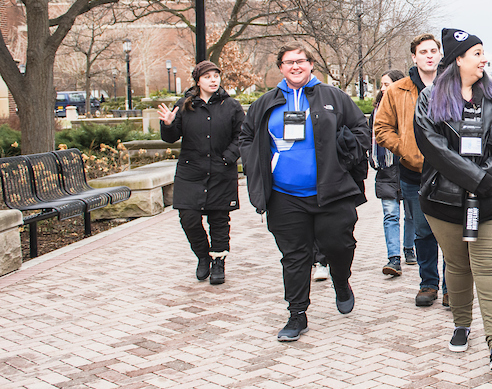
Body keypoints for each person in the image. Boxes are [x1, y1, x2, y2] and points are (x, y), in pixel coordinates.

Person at [414, 28, 492, 371]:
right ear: (458, 59)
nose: (484, 59)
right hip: (444, 201)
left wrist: (486, 181)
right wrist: (474, 178)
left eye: (483, 52)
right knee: (457, 264)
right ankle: (461, 323)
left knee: (487, 265)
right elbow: (431, 145)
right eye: (477, 53)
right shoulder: (431, 99)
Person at [240, 42, 370, 342]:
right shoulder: (266, 102)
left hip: (331, 192)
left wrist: (345, 153)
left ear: (311, 64)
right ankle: (297, 314)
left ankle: (341, 280)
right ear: (281, 68)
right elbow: (246, 136)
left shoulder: (333, 97)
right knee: (295, 256)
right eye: (288, 62)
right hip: (285, 196)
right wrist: (258, 163)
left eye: (301, 61)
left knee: (340, 245)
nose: (295, 66)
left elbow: (361, 129)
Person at [375, 34, 447, 307]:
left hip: (450, 173)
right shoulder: (397, 91)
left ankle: (452, 286)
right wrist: (404, 149)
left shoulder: (453, 86)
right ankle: (428, 283)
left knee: (451, 231)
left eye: (433, 50)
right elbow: (381, 128)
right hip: (413, 172)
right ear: (414, 57)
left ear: (439, 55)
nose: (429, 55)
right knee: (423, 231)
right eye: (423, 51)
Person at [158, 61, 244, 285]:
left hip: (220, 171)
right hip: (191, 171)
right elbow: (171, 137)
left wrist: (228, 157)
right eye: (208, 76)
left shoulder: (231, 106)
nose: (214, 80)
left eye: (216, 75)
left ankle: (218, 262)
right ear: (198, 80)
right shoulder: (185, 105)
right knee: (188, 217)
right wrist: (168, 124)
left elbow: (242, 136)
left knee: (219, 219)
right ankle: (203, 256)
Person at [369, 69, 406, 277]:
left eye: (387, 84)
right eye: (381, 85)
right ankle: (394, 258)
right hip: (385, 169)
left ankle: (409, 249)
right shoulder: (376, 112)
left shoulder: (408, 107)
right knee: (391, 214)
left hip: (407, 167)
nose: (383, 89)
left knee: (411, 215)